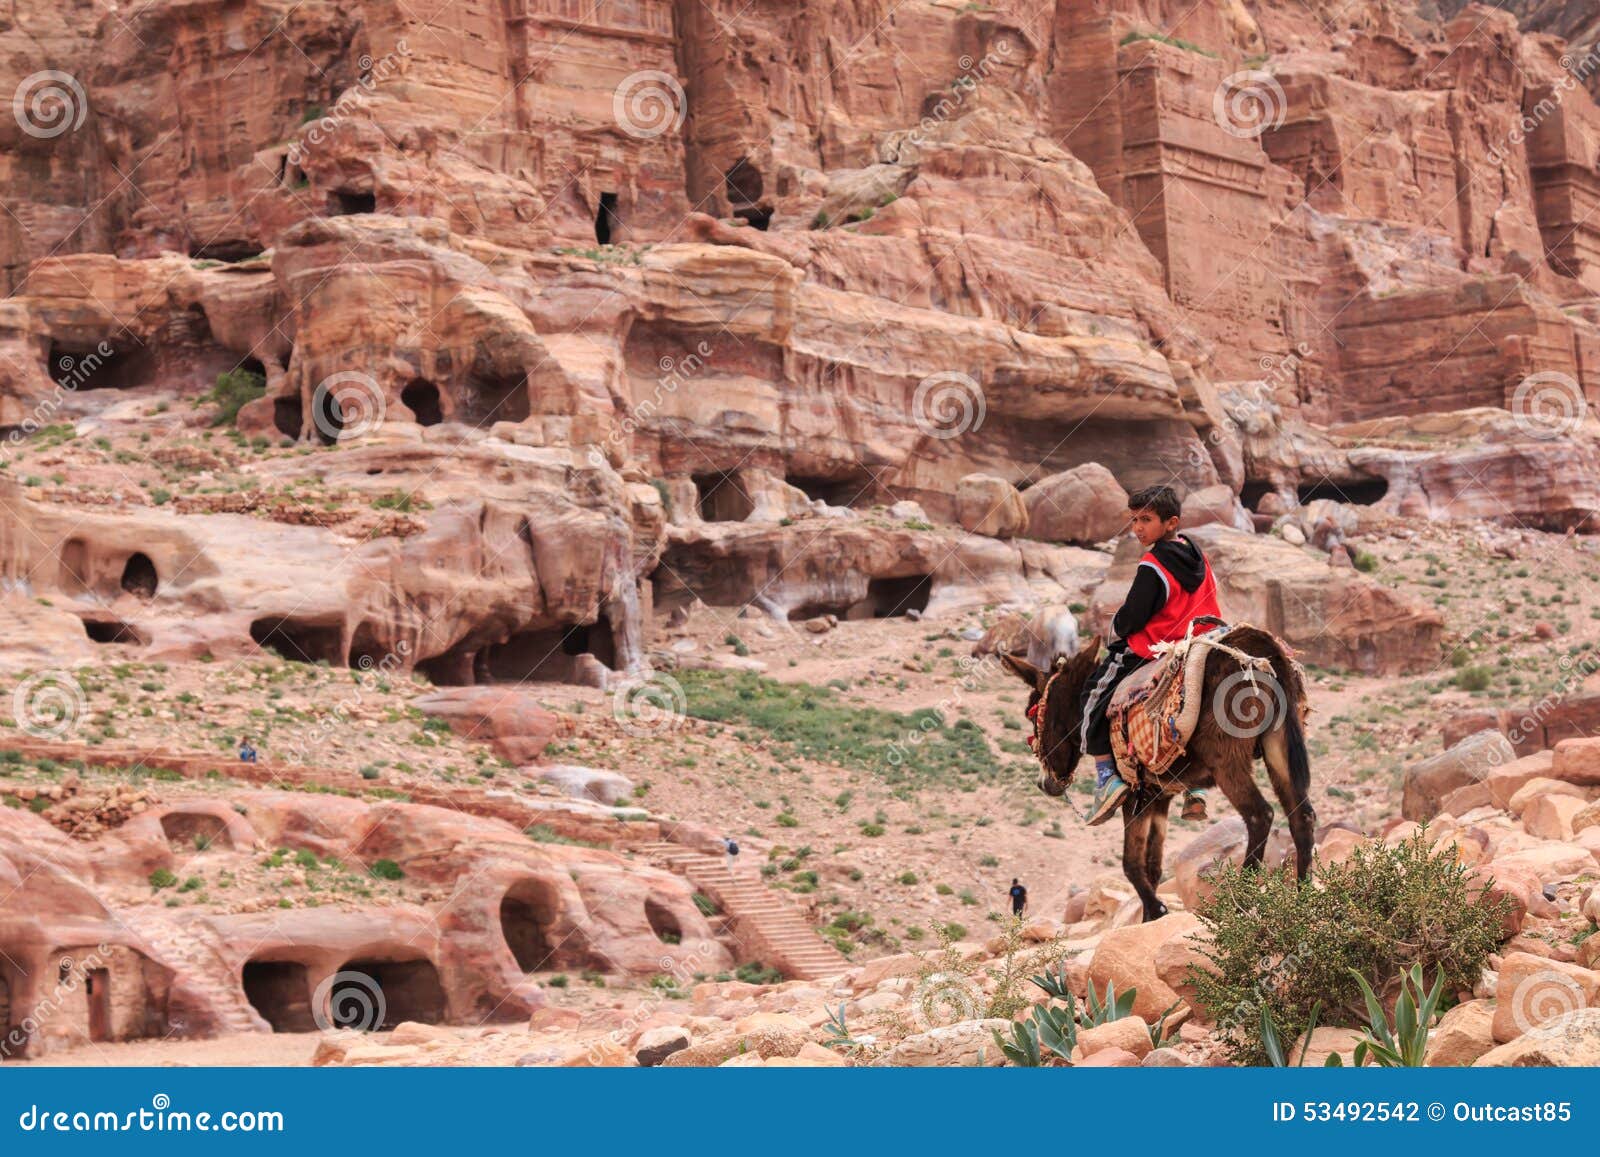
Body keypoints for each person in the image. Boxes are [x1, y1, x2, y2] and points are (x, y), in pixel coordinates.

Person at [1081, 485, 1219, 827]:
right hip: (1204, 639)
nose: (1137, 528)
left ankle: (1106, 778)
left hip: (1158, 647)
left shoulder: (1153, 564)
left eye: (1146, 520)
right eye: (1134, 520)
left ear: (1170, 522)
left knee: (1092, 695)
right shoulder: (1196, 553)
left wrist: (1118, 625)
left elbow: (1133, 616)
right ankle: (1197, 788)